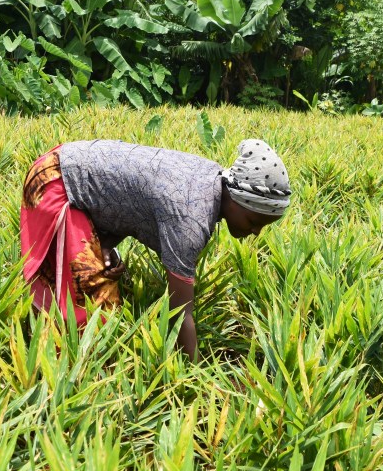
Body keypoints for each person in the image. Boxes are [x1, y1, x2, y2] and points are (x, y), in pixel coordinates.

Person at [19, 138, 292, 361]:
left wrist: (105, 244)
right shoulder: (191, 218)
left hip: (67, 168)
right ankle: (57, 371)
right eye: (254, 221)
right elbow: (179, 313)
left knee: (95, 285)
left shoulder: (212, 177)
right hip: (56, 182)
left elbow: (135, 198)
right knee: (91, 305)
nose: (255, 232)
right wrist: (197, 380)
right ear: (235, 198)